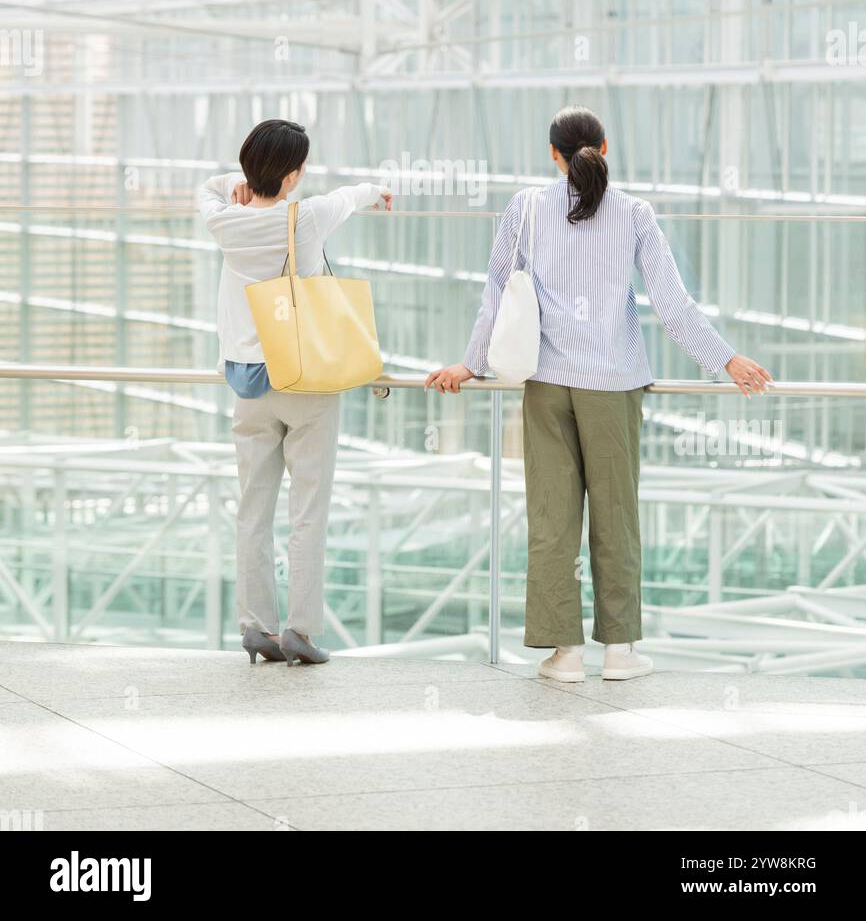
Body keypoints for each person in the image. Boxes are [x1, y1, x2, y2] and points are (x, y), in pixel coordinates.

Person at [426, 106, 771, 683]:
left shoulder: (526, 208)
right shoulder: (634, 213)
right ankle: (619, 652)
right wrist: (724, 359)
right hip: (611, 386)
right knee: (616, 517)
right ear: (604, 148)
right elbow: (670, 301)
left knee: (552, 518)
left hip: (546, 383)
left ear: (553, 155)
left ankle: (564, 654)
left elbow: (496, 294)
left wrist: (471, 363)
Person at [198, 119, 391, 667]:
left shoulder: (224, 221)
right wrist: (377, 193)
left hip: (248, 384)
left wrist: (235, 186)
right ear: (292, 175)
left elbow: (207, 189)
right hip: (305, 378)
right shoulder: (305, 217)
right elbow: (352, 196)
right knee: (308, 509)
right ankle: (299, 631)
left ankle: (255, 625)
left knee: (252, 509)